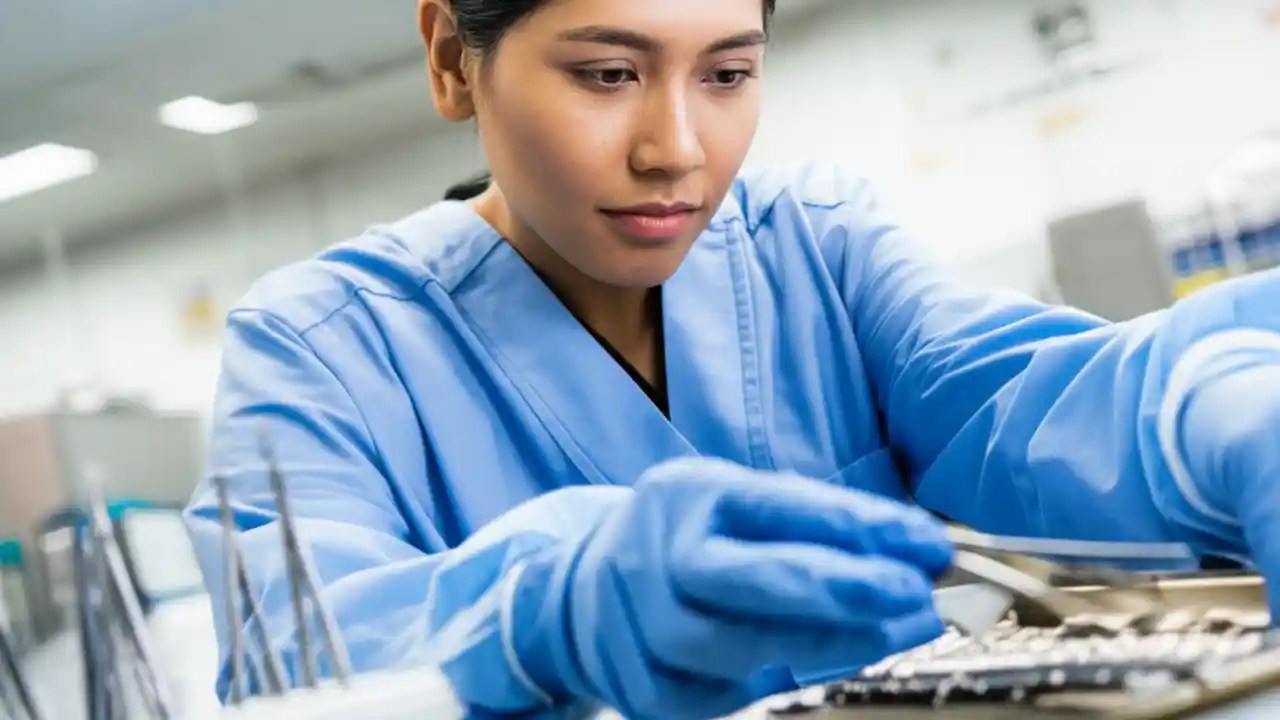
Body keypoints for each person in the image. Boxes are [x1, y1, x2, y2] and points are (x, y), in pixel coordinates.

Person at [183, 0, 1280, 718]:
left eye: (725, 74)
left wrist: (1202, 404)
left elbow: (1011, 407)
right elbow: (295, 673)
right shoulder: (317, 350)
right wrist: (543, 618)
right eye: (608, 74)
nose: (677, 150)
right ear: (447, 59)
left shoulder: (812, 240)